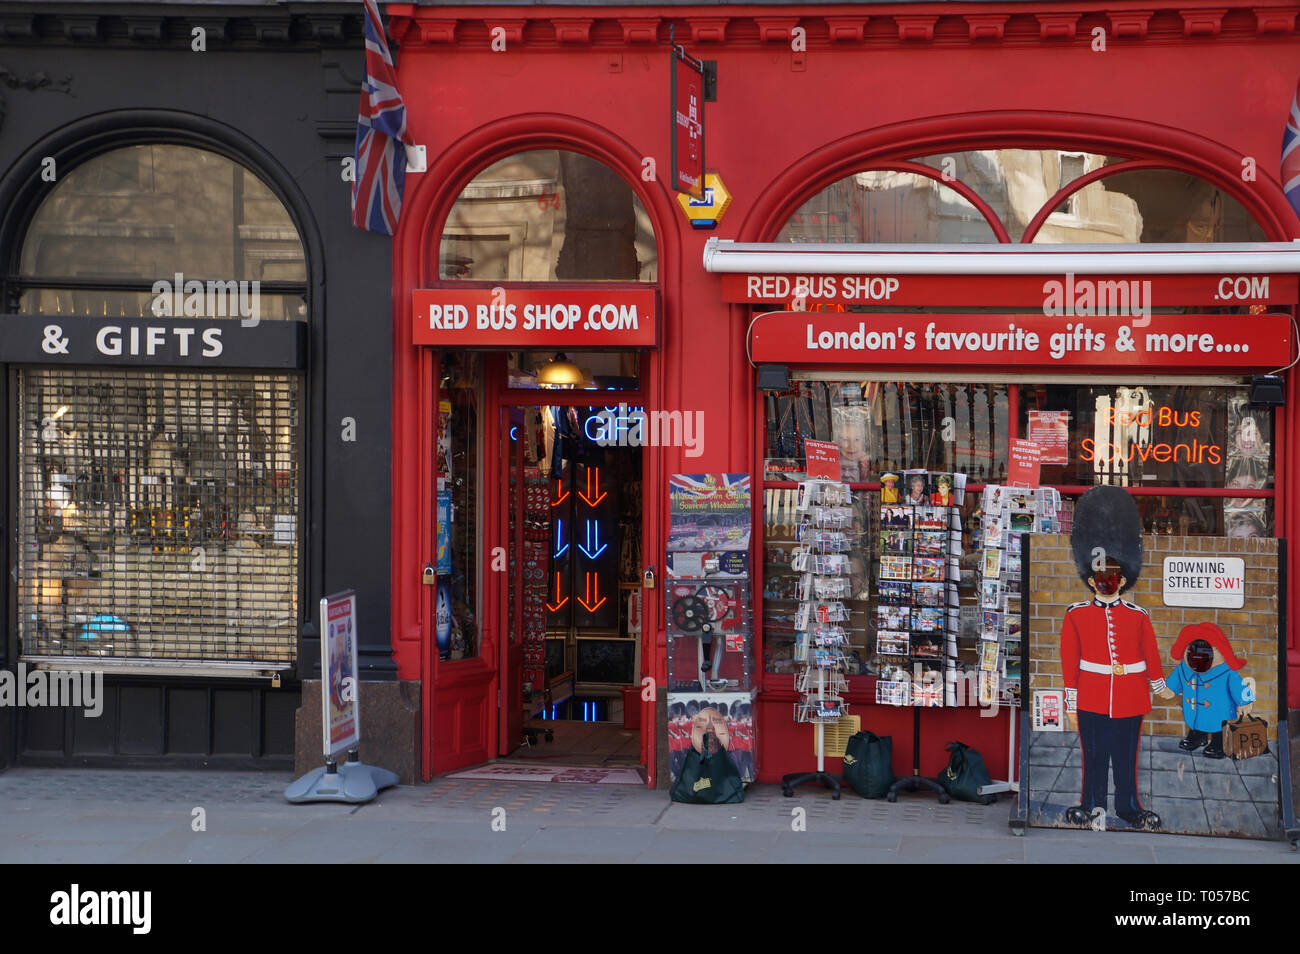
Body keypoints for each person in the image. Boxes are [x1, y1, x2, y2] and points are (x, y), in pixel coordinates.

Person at [1061, 486, 1175, 831]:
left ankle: (1128, 807)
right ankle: (1091, 804)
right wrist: (1071, 699)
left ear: (1122, 581)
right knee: (1093, 755)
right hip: (1093, 692)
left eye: (1112, 578)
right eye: (1101, 578)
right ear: (1093, 582)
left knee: (1126, 757)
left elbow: (1149, 652)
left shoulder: (1138, 615)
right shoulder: (1076, 614)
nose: (1107, 583)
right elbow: (1071, 660)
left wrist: (1158, 685)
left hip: (1129, 693)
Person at [1166, 622, 1254, 758]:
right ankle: (1198, 736)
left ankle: (1219, 744)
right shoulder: (1184, 669)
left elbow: (1239, 686)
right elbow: (1175, 681)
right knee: (1196, 721)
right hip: (1194, 710)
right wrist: (1169, 689)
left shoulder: (1227, 672)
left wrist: (1244, 701)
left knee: (1219, 726)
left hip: (1220, 711)